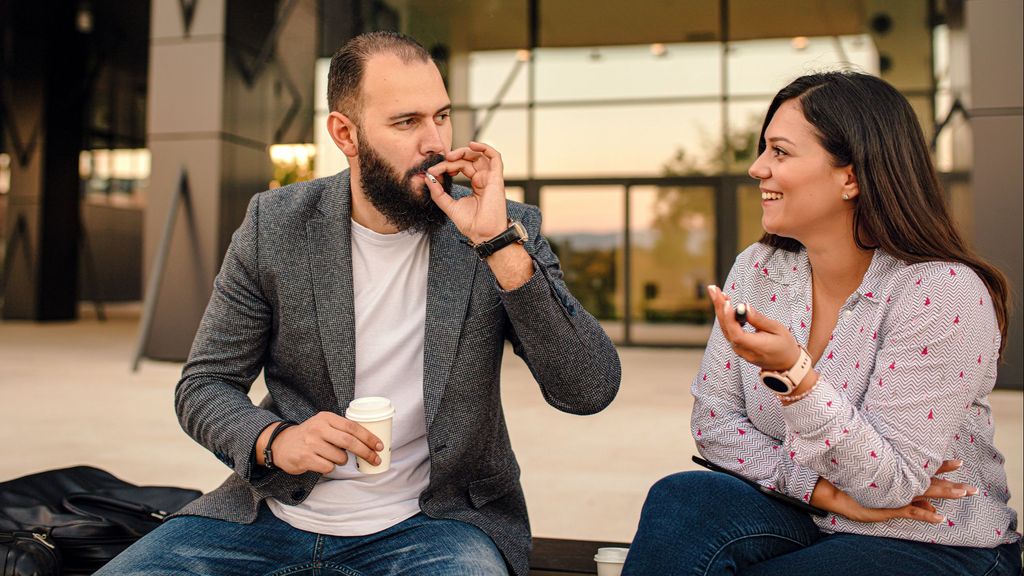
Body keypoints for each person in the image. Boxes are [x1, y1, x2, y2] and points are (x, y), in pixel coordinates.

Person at [97, 31, 620, 576]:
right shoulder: (274, 224)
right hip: (271, 518)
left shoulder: (503, 229)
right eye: (407, 122)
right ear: (345, 134)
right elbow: (204, 385)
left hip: (437, 528)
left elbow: (589, 389)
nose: (436, 143)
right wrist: (274, 441)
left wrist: (499, 249)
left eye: (442, 117)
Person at [622, 71, 1020, 575]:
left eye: (780, 152)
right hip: (806, 512)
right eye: (764, 150)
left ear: (850, 178)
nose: (757, 168)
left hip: (931, 540)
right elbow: (715, 424)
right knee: (683, 498)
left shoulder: (942, 292)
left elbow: (892, 483)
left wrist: (797, 379)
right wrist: (822, 491)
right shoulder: (759, 268)